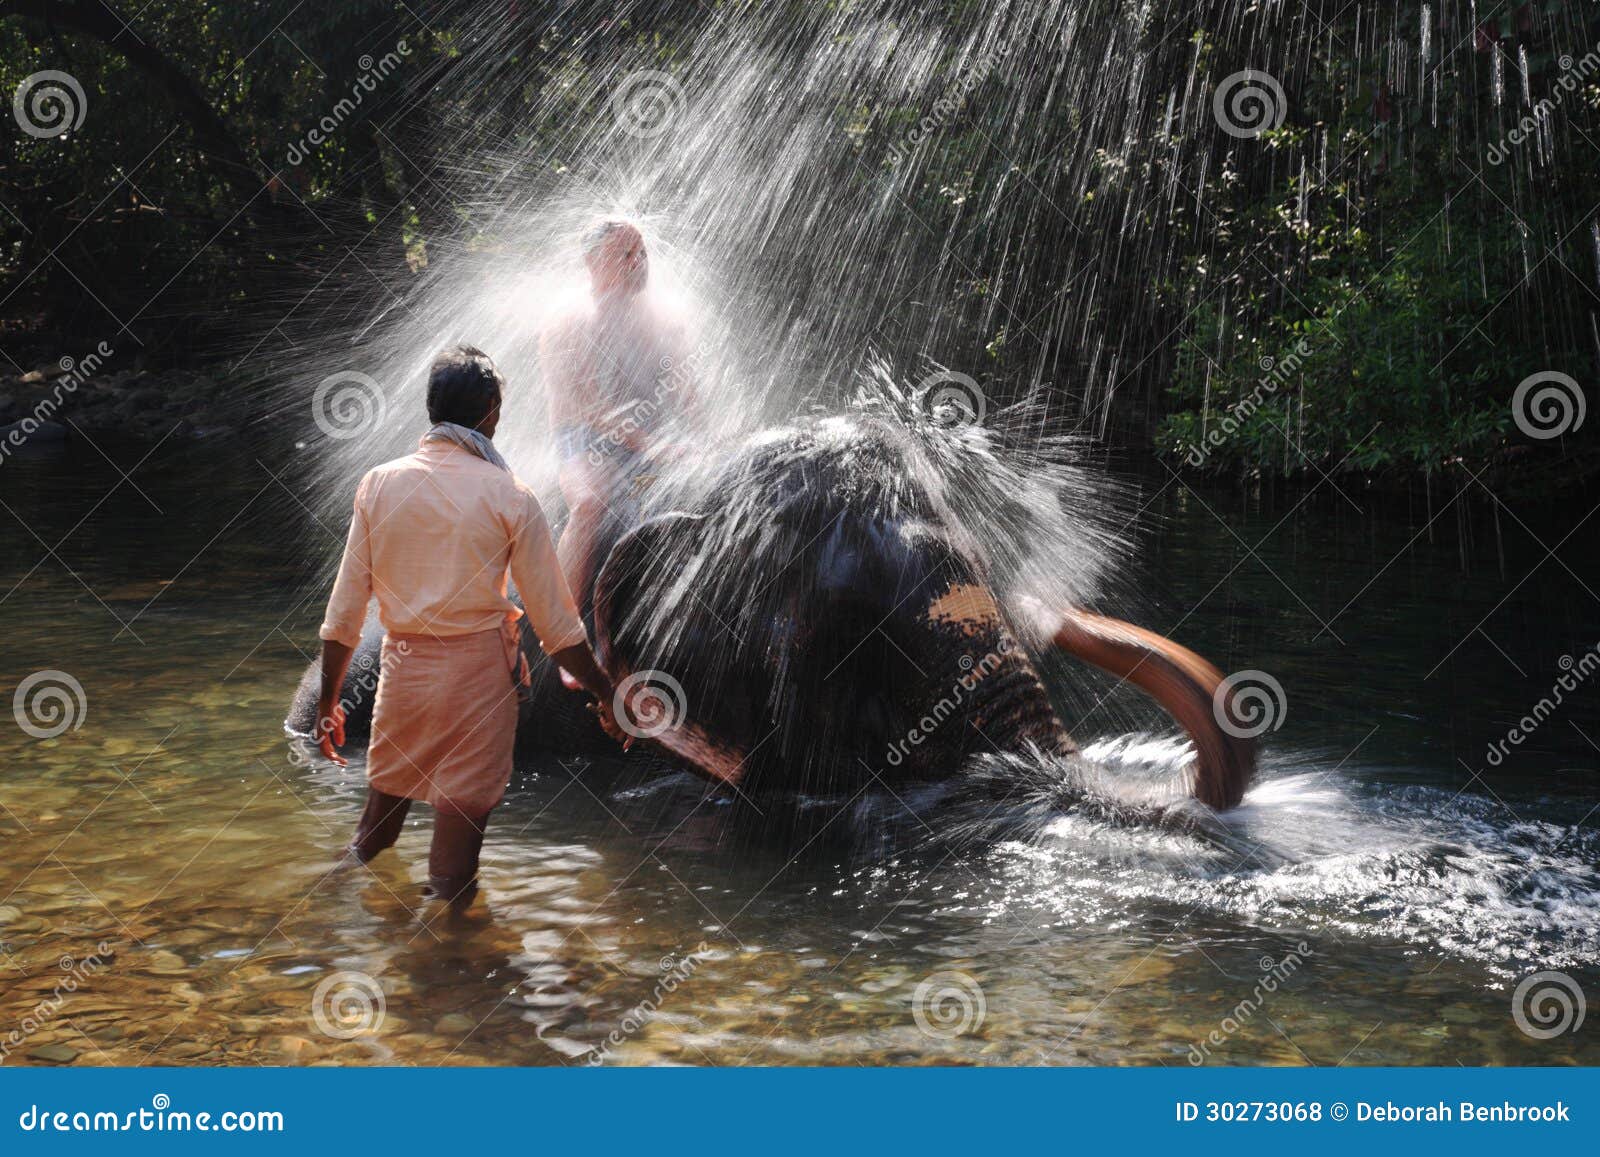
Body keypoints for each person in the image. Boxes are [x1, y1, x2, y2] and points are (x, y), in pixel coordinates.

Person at [313, 345, 619, 908]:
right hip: (477, 682)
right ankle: (452, 960)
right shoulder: (511, 495)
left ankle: (313, 908)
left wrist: (330, 701)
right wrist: (606, 693)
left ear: (432, 410)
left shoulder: (379, 484)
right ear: (491, 411)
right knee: (453, 872)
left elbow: (345, 612)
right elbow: (556, 625)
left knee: (374, 834)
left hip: (403, 676)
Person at [539, 217, 699, 609]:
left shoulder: (661, 316)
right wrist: (653, 447)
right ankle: (562, 628)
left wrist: (706, 441)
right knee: (589, 502)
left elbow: (686, 391)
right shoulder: (569, 319)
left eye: (642, 252)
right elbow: (589, 408)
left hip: (648, 439)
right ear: (592, 263)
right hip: (584, 440)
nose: (638, 262)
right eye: (624, 254)